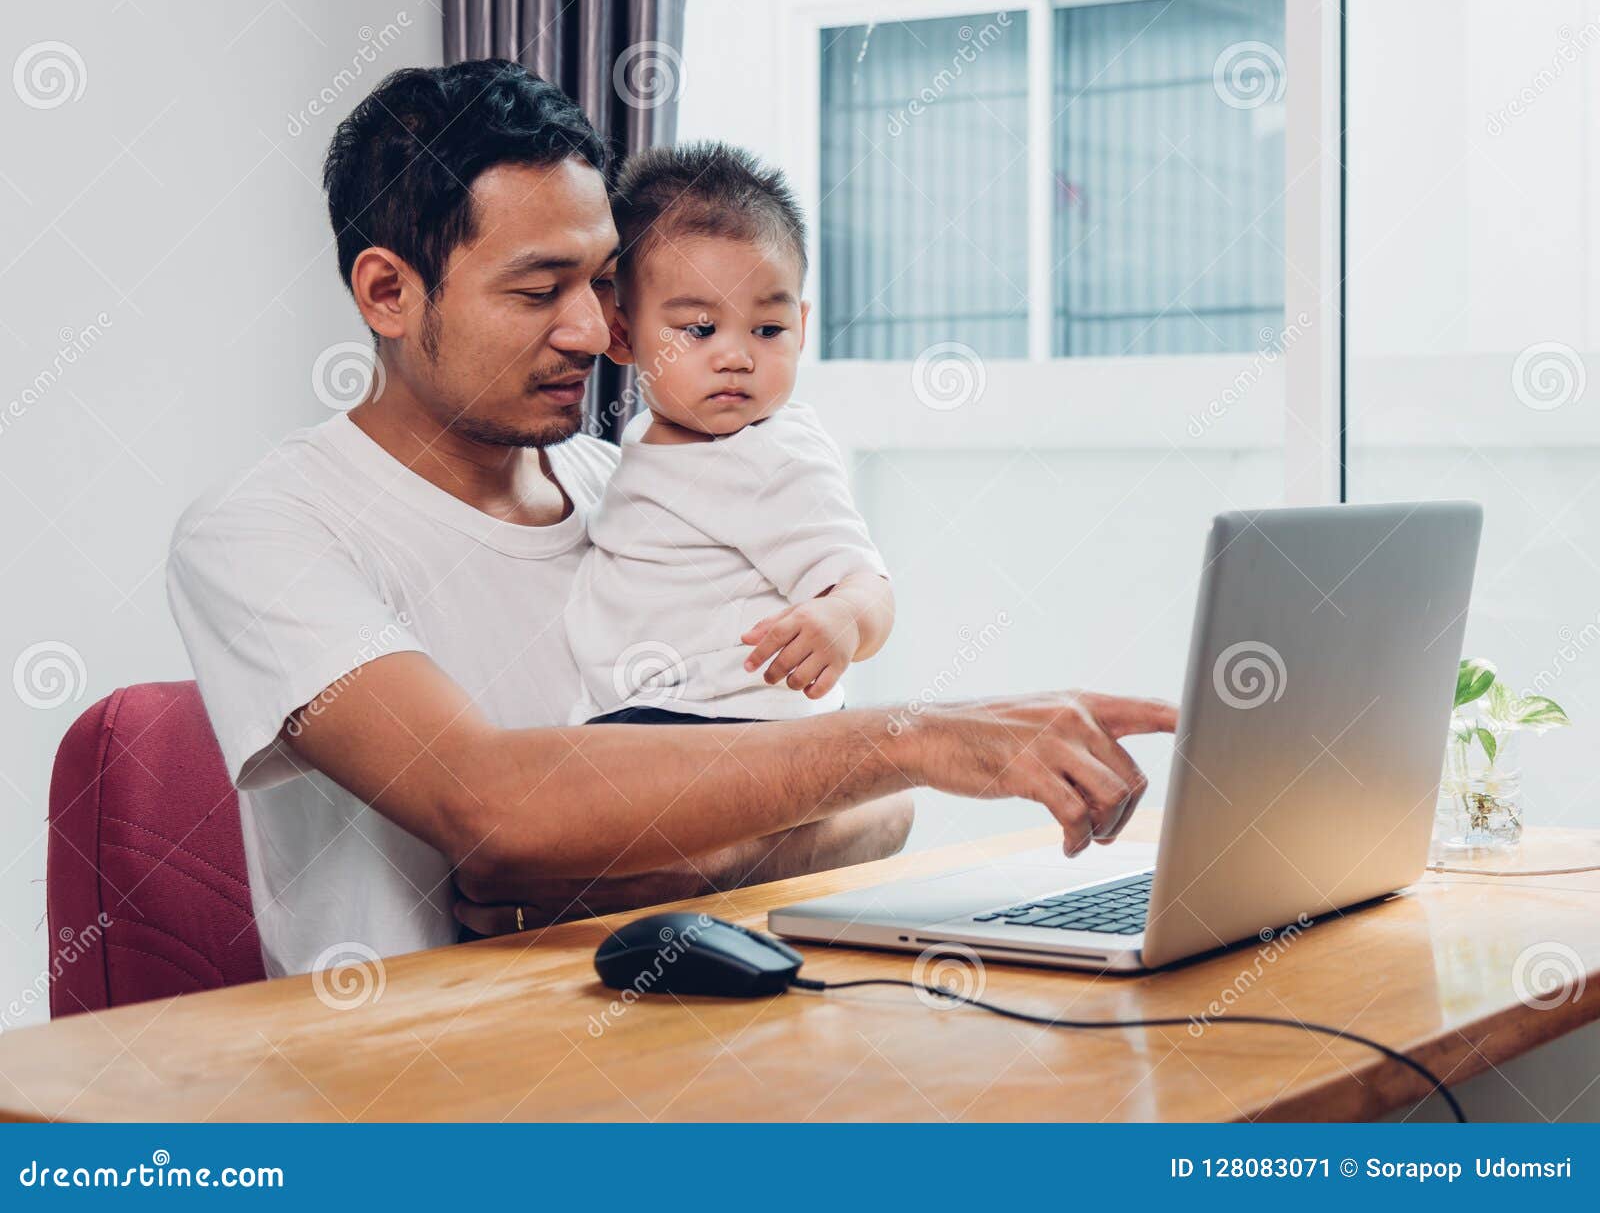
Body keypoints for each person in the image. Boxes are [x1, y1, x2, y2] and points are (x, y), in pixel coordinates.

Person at [166, 59, 1175, 978]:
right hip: (421, 1082)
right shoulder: (264, 532)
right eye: (539, 290)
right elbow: (488, 804)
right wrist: (910, 742)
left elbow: (878, 807)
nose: (591, 330)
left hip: (680, 1050)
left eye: (604, 283)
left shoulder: (645, 488)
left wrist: (698, 860)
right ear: (388, 292)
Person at [567, 141, 892, 725]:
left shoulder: (772, 453)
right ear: (621, 334)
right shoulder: (648, 437)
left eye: (768, 329)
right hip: (652, 711)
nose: (737, 357)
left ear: (801, 327)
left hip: (732, 719)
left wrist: (842, 617)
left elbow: (864, 580)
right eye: (700, 329)